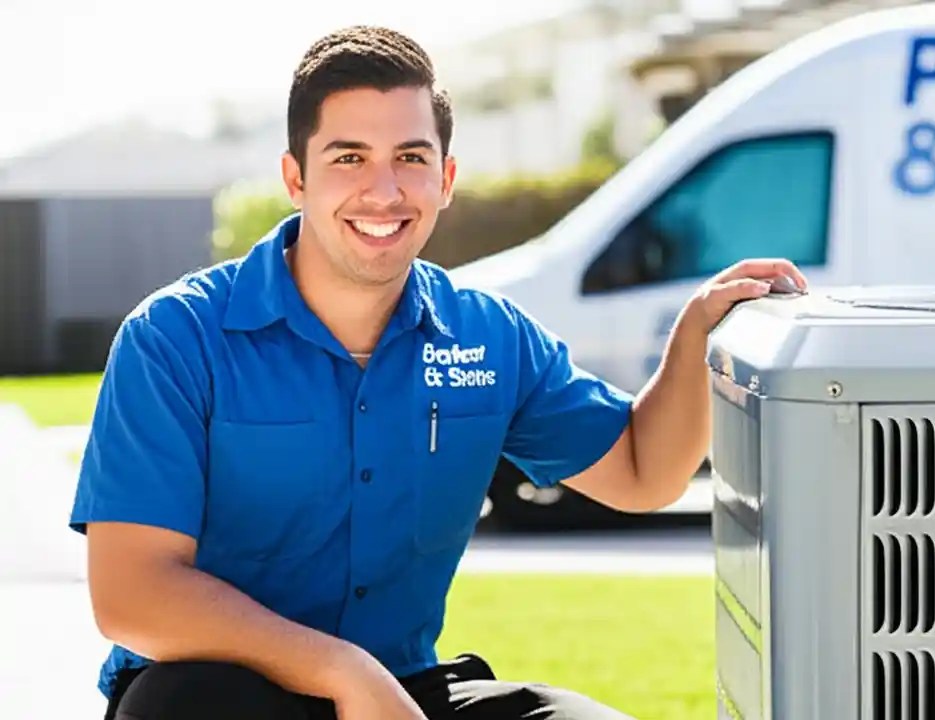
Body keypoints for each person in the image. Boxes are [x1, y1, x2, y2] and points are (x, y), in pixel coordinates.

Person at [68, 24, 807, 720]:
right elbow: (133, 594)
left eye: (411, 159)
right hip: (214, 693)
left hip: (406, 693)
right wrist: (340, 671)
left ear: (447, 178)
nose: (384, 191)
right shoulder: (175, 337)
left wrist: (694, 339)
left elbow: (644, 472)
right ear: (295, 177)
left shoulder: (488, 337)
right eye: (349, 157)